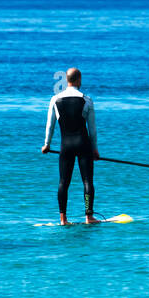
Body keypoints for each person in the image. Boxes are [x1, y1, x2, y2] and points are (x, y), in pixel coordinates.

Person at [41, 67, 100, 225]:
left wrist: (46, 145)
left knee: (63, 182)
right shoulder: (86, 100)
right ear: (79, 79)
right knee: (87, 181)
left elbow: (50, 126)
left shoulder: (55, 99)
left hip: (65, 146)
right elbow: (92, 129)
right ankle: (89, 217)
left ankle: (63, 219)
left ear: (67, 80)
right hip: (83, 145)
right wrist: (94, 149)